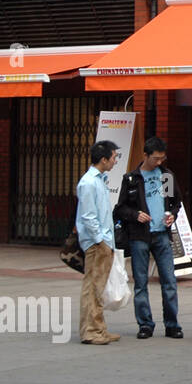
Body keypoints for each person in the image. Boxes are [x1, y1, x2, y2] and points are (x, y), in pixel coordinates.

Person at [115, 136, 184, 339]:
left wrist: (172, 214)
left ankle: (172, 324)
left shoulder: (166, 175)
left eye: (162, 158)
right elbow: (120, 208)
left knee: (169, 281)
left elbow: (174, 202)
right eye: (156, 158)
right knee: (140, 282)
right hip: (139, 236)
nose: (159, 162)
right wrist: (136, 215)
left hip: (162, 235)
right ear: (145, 155)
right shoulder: (132, 179)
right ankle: (145, 324)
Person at [77, 140, 121, 345]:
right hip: (96, 243)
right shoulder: (89, 182)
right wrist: (100, 240)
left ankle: (99, 328)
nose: (115, 160)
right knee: (93, 287)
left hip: (104, 241)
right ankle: (90, 331)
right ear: (103, 159)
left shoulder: (99, 180)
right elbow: (88, 215)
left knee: (98, 287)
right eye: (113, 157)